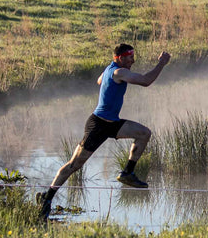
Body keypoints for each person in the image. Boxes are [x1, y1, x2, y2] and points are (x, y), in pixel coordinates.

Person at [37, 43, 170, 219]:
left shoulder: (111, 69)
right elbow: (145, 81)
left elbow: (99, 80)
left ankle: (127, 172)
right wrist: (162, 63)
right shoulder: (118, 72)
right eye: (130, 57)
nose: (133, 61)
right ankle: (47, 198)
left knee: (144, 133)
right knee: (74, 165)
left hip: (112, 123)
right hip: (98, 125)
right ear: (121, 58)